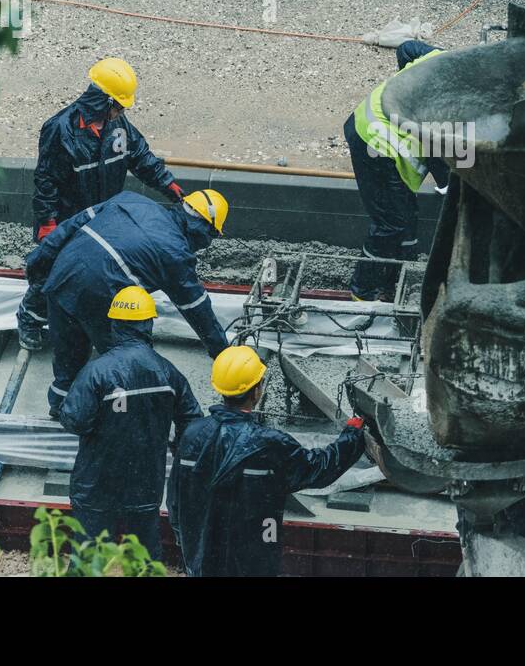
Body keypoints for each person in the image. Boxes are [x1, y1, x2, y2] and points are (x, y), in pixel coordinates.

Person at [16, 58, 186, 349]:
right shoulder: (60, 130)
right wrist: (48, 224)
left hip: (103, 216)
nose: (122, 111)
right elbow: (46, 181)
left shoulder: (118, 127)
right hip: (68, 217)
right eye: (119, 105)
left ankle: (88, 320)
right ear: (103, 100)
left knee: (97, 269)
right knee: (51, 273)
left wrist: (169, 186)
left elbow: (142, 159)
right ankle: (30, 319)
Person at [25, 188, 230, 417]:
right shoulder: (175, 253)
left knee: (68, 360)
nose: (207, 244)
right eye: (211, 236)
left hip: (62, 276)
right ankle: (120, 421)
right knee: (126, 364)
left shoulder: (131, 200)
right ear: (202, 227)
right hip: (100, 298)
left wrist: (38, 264)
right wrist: (222, 352)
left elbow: (70, 226)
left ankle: (63, 411)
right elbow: (196, 308)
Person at [168, 344, 367, 576]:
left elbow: (175, 497)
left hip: (203, 558)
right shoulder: (270, 443)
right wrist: (352, 436)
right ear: (256, 392)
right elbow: (319, 468)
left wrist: (188, 543)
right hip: (252, 558)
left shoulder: (193, 434)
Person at [59, 286, 200, 560]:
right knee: (144, 555)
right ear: (148, 324)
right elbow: (193, 421)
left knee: (88, 555)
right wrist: (173, 443)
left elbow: (74, 420)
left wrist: (103, 429)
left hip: (97, 482)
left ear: (114, 324)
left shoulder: (96, 372)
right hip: (145, 483)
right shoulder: (168, 373)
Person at [343, 40, 451, 301]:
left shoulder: (441, 58)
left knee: (405, 214)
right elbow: (444, 163)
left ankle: (398, 276)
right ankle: (362, 293)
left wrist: (402, 92)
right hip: (375, 146)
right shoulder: (450, 112)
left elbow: (407, 48)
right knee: (390, 224)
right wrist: (450, 185)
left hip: (365, 120)